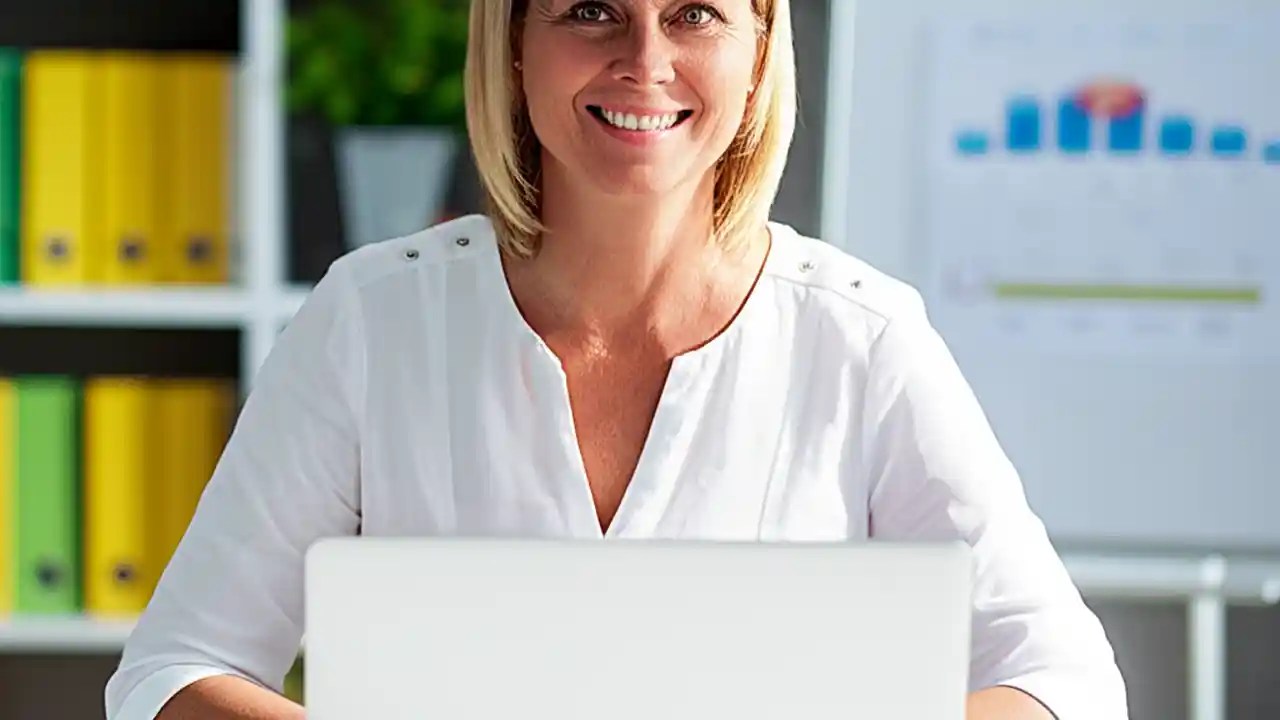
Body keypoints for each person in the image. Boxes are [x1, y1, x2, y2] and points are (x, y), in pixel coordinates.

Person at [105, 1, 1128, 718]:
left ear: (758, 51)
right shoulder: (373, 320)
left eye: (694, 15)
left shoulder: (860, 338)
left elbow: (1065, 683)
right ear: (514, 45)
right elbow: (170, 673)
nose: (644, 58)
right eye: (591, 11)